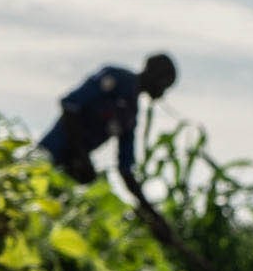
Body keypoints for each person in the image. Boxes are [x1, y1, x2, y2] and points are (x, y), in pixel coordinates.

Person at [39, 53, 175, 185]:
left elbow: (125, 168)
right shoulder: (116, 78)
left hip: (66, 170)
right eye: (165, 85)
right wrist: (82, 156)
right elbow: (70, 106)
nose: (162, 92)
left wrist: (145, 202)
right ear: (156, 76)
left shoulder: (130, 114)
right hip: (48, 154)